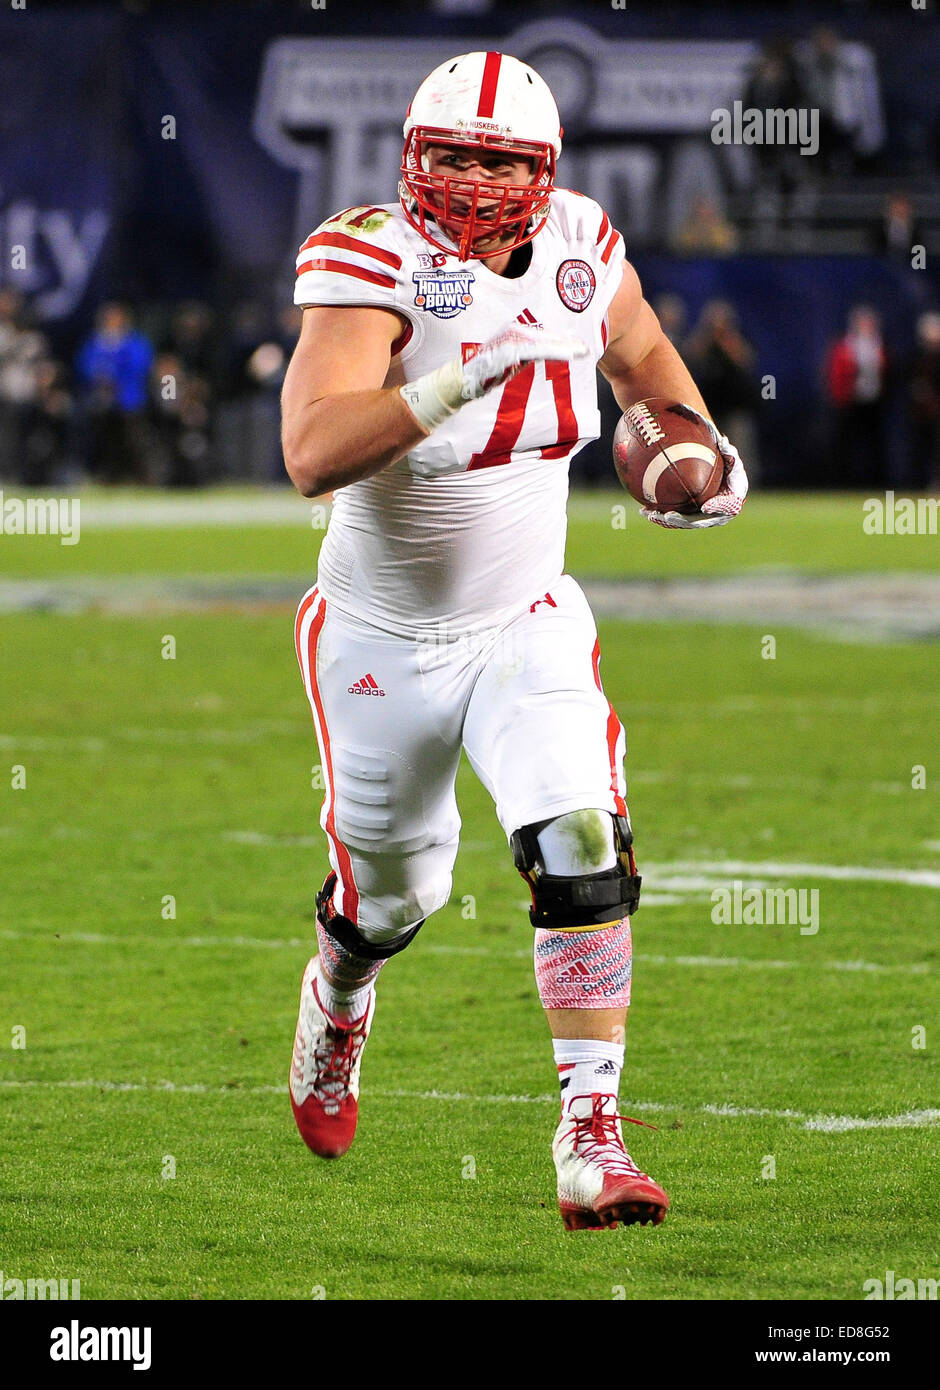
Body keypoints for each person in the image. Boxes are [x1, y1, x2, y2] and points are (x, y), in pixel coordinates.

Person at [281, 51, 747, 1232]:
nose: (476, 181)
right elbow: (309, 452)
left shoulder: (586, 244)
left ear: (544, 173)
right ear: (408, 157)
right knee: (391, 899)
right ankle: (338, 1004)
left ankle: (590, 1136)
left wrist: (687, 444)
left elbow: (640, 356)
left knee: (583, 843)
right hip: (381, 638)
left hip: (525, 617)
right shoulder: (369, 254)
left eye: (502, 159)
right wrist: (446, 388)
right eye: (455, 154)